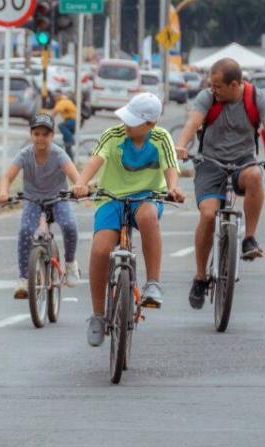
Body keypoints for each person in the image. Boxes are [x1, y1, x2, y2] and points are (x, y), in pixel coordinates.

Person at [176, 58, 265, 311]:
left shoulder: (256, 98)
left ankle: (249, 238)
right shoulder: (207, 97)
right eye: (211, 85)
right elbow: (192, 123)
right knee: (207, 214)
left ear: (234, 84)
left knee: (256, 176)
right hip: (210, 163)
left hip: (242, 162)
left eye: (217, 86)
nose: (212, 90)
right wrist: (182, 145)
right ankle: (201, 277)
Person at [75, 93, 184, 347]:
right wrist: (80, 183)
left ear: (151, 124)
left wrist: (174, 188)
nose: (127, 124)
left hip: (147, 197)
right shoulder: (113, 135)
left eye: (133, 121)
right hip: (111, 198)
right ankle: (98, 316)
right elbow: (95, 160)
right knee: (101, 249)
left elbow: (170, 168)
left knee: (147, 216)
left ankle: (153, 284)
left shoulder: (162, 138)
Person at [0, 114, 82, 299]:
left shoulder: (58, 154)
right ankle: (23, 279)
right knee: (25, 231)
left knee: (69, 225)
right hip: (33, 200)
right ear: (31, 135)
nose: (40, 138)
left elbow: (76, 177)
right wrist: (4, 192)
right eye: (36, 134)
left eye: (45, 134)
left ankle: (70, 264)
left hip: (58, 198)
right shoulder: (25, 155)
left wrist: (78, 187)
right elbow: (8, 176)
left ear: (52, 136)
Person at [51, 91, 79, 159]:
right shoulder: (61, 101)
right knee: (66, 142)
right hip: (71, 121)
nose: (53, 98)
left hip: (74, 121)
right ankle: (70, 160)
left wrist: (48, 119)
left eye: (55, 96)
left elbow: (55, 111)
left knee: (61, 126)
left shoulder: (63, 101)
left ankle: (71, 140)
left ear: (58, 96)